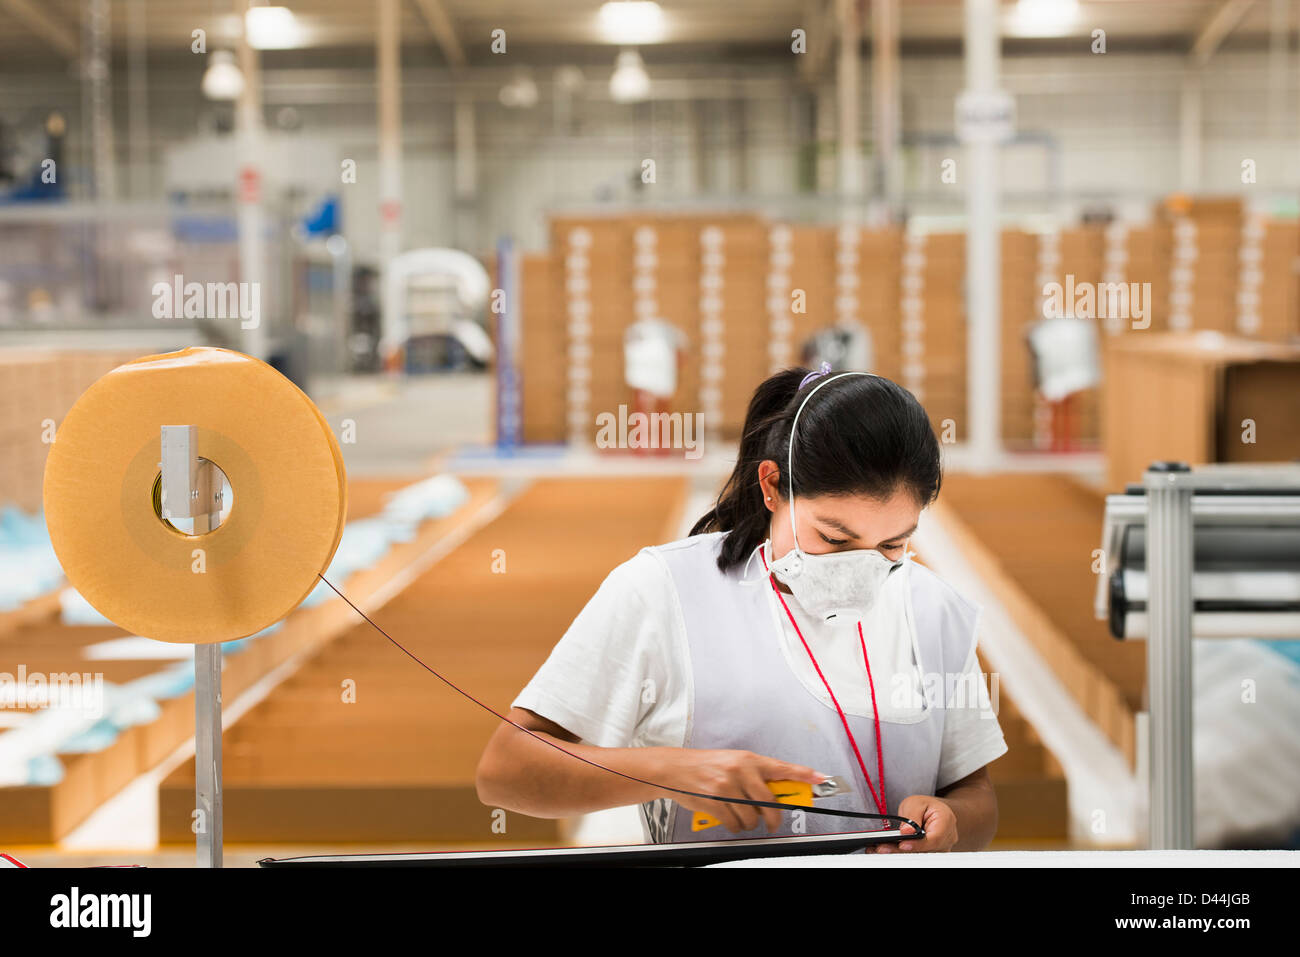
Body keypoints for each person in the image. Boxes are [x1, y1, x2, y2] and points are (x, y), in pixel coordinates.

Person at [476, 364, 1007, 851]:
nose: (863, 569)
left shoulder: (933, 609)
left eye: (893, 545)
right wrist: (668, 772)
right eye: (833, 538)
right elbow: (507, 772)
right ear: (773, 486)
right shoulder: (665, 590)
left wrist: (949, 820)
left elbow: (973, 793)